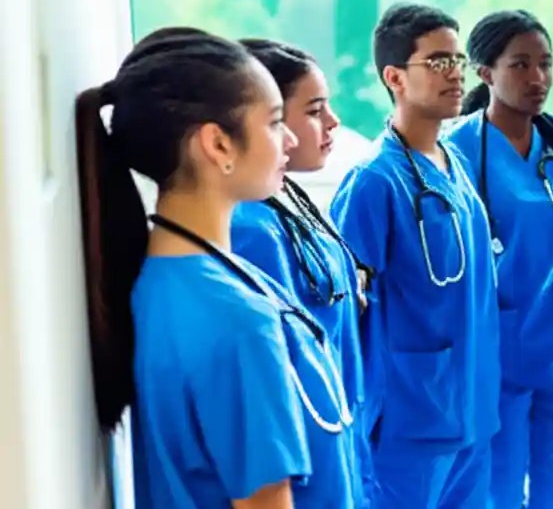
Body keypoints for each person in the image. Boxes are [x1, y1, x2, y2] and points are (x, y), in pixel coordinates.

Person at [75, 27, 359, 508]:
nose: (288, 139)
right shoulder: (239, 322)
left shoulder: (163, 281)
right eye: (273, 122)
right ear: (218, 145)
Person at [329, 3, 500, 509]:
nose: (455, 75)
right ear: (395, 77)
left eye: (458, 61)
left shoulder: (457, 165)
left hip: (470, 411)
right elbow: (343, 314)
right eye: (438, 62)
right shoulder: (373, 184)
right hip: (407, 423)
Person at [446, 9, 553, 509]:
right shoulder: (458, 150)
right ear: (485, 73)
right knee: (499, 492)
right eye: (521, 65)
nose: (538, 78)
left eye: (546, 64)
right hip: (497, 354)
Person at [231, 38, 370, 504]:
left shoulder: (290, 200)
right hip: (310, 461)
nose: (332, 123)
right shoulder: (252, 229)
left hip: (343, 432)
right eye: (314, 111)